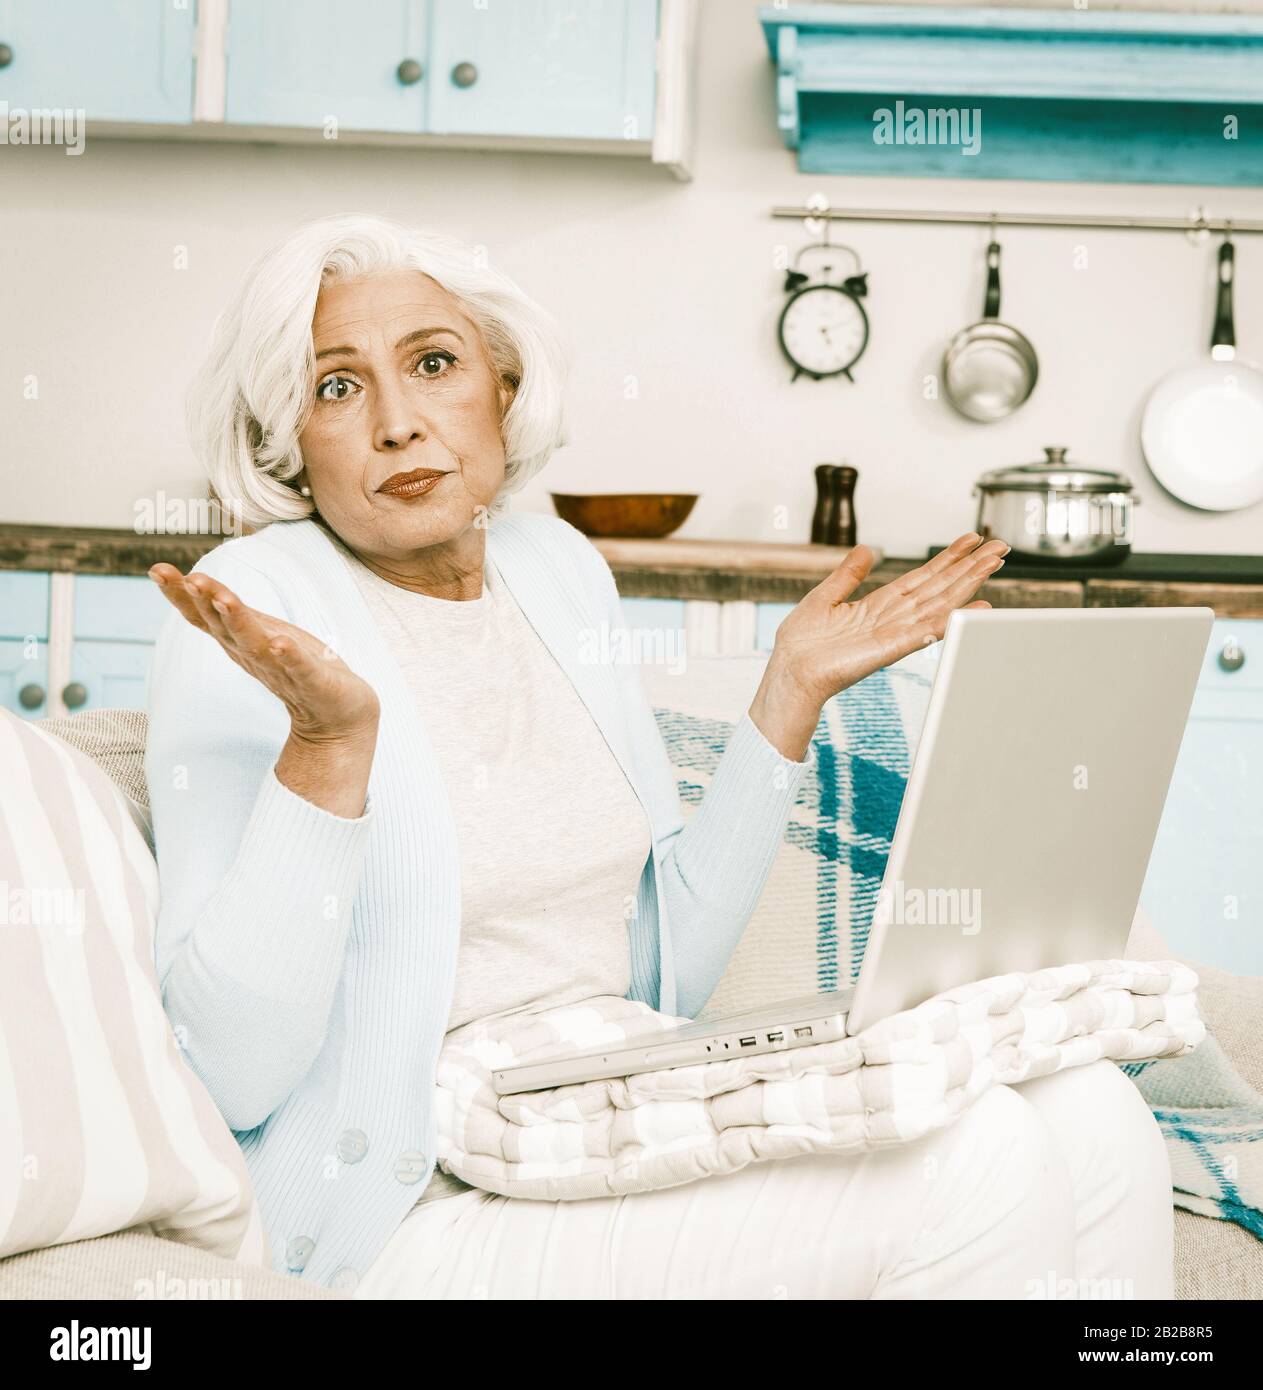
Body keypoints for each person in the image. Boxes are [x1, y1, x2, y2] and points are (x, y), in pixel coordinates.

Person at [145, 214, 1172, 1297]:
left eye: (434, 364)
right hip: (409, 1207)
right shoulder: (249, 607)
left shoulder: (555, 568)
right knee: (979, 1162)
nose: (398, 423)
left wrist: (786, 696)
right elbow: (228, 1069)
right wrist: (328, 749)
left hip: (594, 1111)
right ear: (288, 439)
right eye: (336, 388)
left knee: (1090, 1109)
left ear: (502, 385)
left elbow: (665, 972)